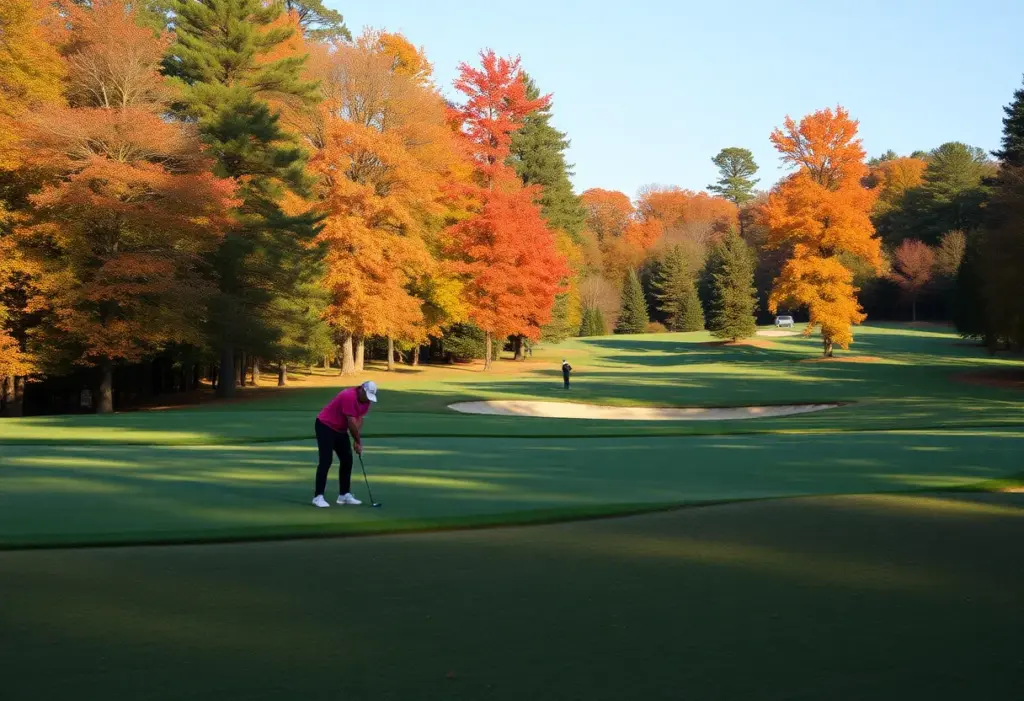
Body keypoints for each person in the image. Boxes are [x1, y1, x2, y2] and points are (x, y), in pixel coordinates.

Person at [312, 380, 378, 508]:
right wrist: (358, 441)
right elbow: (351, 422)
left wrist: (356, 441)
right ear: (361, 389)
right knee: (326, 460)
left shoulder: (366, 401)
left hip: (340, 429)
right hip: (325, 425)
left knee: (347, 460)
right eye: (367, 395)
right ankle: (318, 496)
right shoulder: (348, 396)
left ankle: (344, 494)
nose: (368, 399)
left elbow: (359, 419)